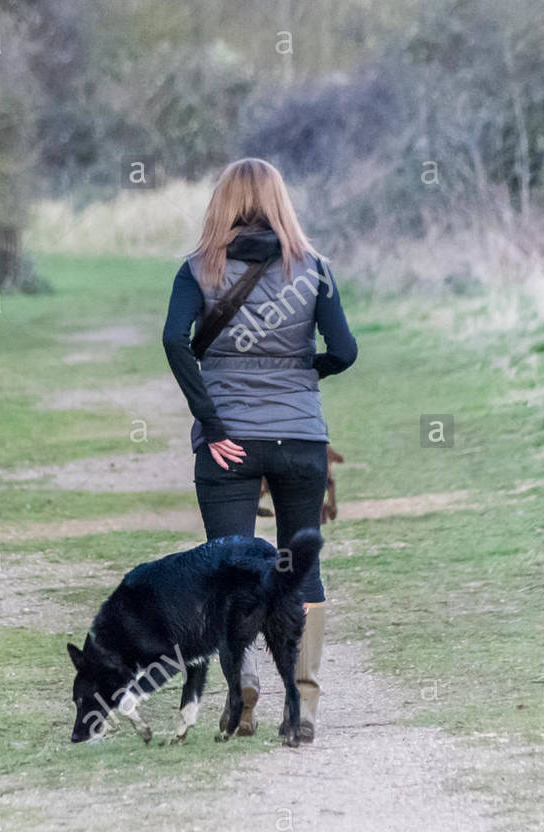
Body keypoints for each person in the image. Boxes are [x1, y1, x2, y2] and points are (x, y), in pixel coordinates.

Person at [162, 157, 358, 742]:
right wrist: (304, 373)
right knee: (301, 570)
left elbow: (174, 340)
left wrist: (212, 424)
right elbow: (345, 350)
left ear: (221, 203)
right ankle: (304, 706)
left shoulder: (197, 268)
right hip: (301, 440)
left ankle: (242, 685)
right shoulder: (314, 268)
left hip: (230, 444)